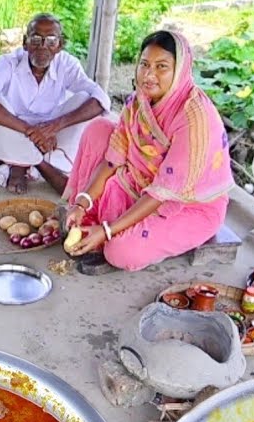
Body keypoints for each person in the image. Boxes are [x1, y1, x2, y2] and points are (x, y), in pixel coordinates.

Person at [63, 30, 232, 271]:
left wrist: (108, 230)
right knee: (99, 129)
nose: (149, 75)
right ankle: (90, 221)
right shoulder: (138, 102)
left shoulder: (195, 118)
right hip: (141, 184)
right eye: (144, 64)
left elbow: (162, 192)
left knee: (120, 252)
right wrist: (82, 203)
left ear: (180, 70)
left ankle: (112, 231)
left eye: (161, 67)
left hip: (188, 204)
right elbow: (112, 161)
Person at [0, 13, 111, 195]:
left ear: (59, 45)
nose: (43, 46)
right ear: (25, 43)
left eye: (51, 41)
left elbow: (101, 98)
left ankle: (24, 162)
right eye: (36, 39)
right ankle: (39, 164)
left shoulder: (67, 64)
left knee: (84, 99)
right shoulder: (7, 63)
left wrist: (54, 126)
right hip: (14, 130)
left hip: (51, 134)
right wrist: (32, 132)